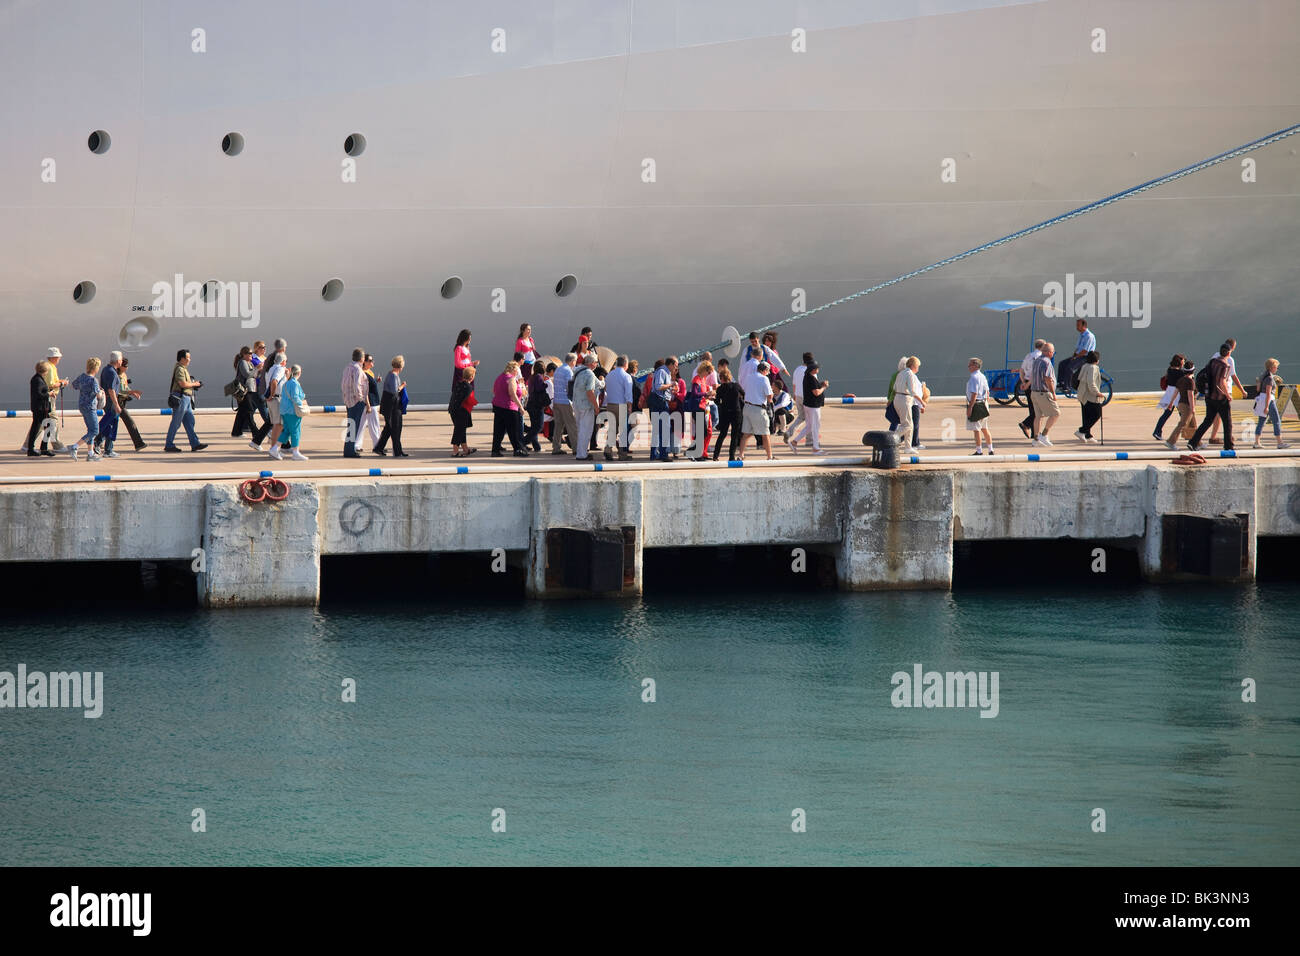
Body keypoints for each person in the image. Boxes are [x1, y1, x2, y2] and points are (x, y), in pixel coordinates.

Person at [1189, 343, 1235, 452]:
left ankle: (1193, 442)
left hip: (1209, 396)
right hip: (1220, 398)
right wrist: (1228, 395)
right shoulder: (1225, 365)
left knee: (1208, 421)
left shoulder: (1212, 361)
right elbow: (1222, 381)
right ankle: (1228, 446)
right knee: (1227, 422)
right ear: (1229, 353)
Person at [165, 348, 207, 453]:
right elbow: (182, 384)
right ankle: (169, 444)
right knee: (176, 422)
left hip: (186, 398)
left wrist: (193, 385)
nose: (189, 360)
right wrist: (195, 384)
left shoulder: (183, 368)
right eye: (188, 358)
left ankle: (195, 444)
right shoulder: (180, 369)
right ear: (182, 358)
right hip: (181, 398)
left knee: (190, 422)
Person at [1206, 339, 1244, 445]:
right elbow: (1233, 376)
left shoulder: (1215, 356)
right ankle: (1216, 437)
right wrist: (1242, 390)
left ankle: (1224, 435)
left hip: (1213, 389)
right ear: (1232, 347)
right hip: (1224, 389)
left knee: (1214, 416)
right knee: (1223, 416)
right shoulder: (1229, 359)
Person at [737, 361, 774, 460]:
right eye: (767, 371)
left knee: (745, 434)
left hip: (747, 407)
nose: (768, 373)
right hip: (758, 409)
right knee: (765, 434)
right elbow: (769, 396)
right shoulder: (764, 379)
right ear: (765, 370)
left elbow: (744, 390)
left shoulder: (749, 377)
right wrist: (771, 398)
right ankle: (770, 457)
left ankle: (740, 455)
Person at [787, 361, 827, 454]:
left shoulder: (807, 377)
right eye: (817, 368)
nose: (818, 369)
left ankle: (794, 442)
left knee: (809, 426)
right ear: (813, 370)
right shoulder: (811, 378)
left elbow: (813, 388)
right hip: (813, 406)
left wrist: (820, 385)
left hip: (808, 405)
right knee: (816, 426)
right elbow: (816, 392)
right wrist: (824, 387)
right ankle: (815, 448)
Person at [68, 357, 103, 462]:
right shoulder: (93, 380)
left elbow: (73, 385)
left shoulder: (82, 377)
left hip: (82, 405)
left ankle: (90, 453)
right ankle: (75, 446)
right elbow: (99, 396)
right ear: (96, 368)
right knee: (95, 430)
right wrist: (102, 392)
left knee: (90, 430)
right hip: (90, 407)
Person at [491, 360, 528, 457]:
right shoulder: (511, 379)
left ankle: (495, 450)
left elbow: (494, 391)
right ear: (513, 369)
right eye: (517, 370)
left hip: (498, 406)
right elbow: (512, 393)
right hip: (509, 407)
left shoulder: (499, 377)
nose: (518, 372)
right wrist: (520, 406)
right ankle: (517, 449)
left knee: (498, 430)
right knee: (513, 430)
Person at [375, 356, 409, 457]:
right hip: (393, 406)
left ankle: (382, 448)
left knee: (390, 428)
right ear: (401, 366)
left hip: (389, 405)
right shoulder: (394, 375)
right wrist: (402, 386)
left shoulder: (391, 374)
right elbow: (395, 391)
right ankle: (396, 451)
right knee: (396, 427)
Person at [274, 364, 310, 461]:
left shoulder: (287, 383)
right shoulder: (294, 383)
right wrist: (302, 402)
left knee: (287, 431)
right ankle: (295, 452)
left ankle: (275, 448)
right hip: (292, 411)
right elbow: (295, 397)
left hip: (285, 411)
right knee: (295, 432)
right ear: (299, 373)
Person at [1253, 358, 1290, 449]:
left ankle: (1257, 442)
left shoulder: (1263, 376)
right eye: (1276, 367)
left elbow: (1258, 389)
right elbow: (1268, 393)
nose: (1276, 369)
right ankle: (1279, 442)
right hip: (1268, 400)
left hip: (1261, 399)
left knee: (1261, 421)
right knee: (1277, 421)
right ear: (1271, 367)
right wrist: (1267, 407)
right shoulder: (1270, 378)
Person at [572, 353, 602, 461]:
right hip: (586, 405)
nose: (597, 364)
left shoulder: (578, 371)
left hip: (576, 404)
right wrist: (596, 406)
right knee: (586, 430)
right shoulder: (589, 374)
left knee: (581, 429)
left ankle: (581, 452)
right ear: (592, 363)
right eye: (596, 362)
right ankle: (581, 454)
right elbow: (590, 392)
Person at [648, 356, 679, 461]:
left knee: (657, 429)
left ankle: (654, 454)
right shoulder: (662, 371)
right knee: (665, 428)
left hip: (657, 400)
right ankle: (663, 455)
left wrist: (671, 389)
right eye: (675, 365)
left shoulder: (664, 372)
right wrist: (671, 384)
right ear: (670, 364)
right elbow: (658, 386)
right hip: (659, 401)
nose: (676, 368)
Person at [95, 351, 124, 458]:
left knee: (109, 423)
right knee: (111, 423)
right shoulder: (112, 372)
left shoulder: (106, 369)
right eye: (121, 360)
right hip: (111, 401)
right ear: (117, 361)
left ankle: (103, 444)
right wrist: (116, 404)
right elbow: (111, 389)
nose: (122, 361)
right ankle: (105, 446)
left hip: (108, 401)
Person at [1163, 361, 1198, 451]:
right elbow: (1190, 395)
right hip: (1188, 406)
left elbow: (1175, 392)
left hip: (1180, 404)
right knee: (1183, 424)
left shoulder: (1181, 380)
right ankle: (1170, 442)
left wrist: (1171, 404)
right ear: (1193, 371)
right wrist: (1193, 408)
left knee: (1193, 425)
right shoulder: (1191, 382)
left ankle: (1197, 443)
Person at [114, 356, 146, 451]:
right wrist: (132, 392)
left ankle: (97, 440)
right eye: (125, 366)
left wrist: (133, 392)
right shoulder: (117, 376)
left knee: (110, 422)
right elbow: (121, 390)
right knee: (129, 421)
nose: (126, 368)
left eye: (127, 366)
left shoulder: (123, 375)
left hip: (122, 401)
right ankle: (138, 443)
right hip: (117, 401)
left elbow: (126, 387)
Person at [605, 355, 634, 458]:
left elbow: (605, 389)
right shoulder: (626, 376)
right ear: (626, 364)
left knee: (612, 429)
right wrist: (629, 407)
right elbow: (628, 394)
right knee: (623, 431)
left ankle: (608, 449)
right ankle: (622, 454)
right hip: (621, 405)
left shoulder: (609, 375)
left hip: (610, 404)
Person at [892, 357, 924, 450]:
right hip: (905, 399)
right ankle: (891, 438)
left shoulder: (900, 373)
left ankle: (908, 447)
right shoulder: (910, 374)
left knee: (909, 424)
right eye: (918, 366)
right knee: (907, 425)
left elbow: (894, 388)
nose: (918, 368)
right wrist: (922, 402)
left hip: (897, 398)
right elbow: (913, 391)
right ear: (913, 366)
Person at [340, 347, 367, 458]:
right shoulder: (357, 369)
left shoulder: (347, 368)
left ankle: (348, 450)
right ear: (361, 358)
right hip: (356, 402)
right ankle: (350, 451)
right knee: (354, 426)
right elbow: (357, 385)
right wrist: (360, 398)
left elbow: (343, 384)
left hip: (348, 401)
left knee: (351, 425)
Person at [712, 366, 744, 461]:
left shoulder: (720, 389)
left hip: (725, 412)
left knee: (722, 434)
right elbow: (744, 394)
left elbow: (717, 401)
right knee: (734, 435)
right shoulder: (736, 386)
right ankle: (731, 456)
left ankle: (715, 455)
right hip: (736, 412)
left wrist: (721, 404)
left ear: (721, 378)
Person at [1030, 343, 1059, 446]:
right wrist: (1053, 393)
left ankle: (1036, 439)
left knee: (1038, 416)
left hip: (1034, 392)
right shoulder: (1047, 362)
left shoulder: (1036, 361)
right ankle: (1044, 434)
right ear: (1049, 352)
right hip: (1043, 392)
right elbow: (1048, 379)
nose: (1053, 353)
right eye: (1053, 352)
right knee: (1055, 413)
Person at [24, 361, 54, 456]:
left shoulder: (38, 378)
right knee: (38, 428)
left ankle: (40, 448)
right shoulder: (37, 380)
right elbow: (39, 394)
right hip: (40, 408)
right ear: (44, 370)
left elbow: (40, 391)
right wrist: (49, 394)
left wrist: (48, 391)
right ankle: (34, 449)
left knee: (44, 427)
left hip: (41, 408)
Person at [550, 353, 578, 454]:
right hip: (565, 401)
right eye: (575, 361)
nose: (575, 363)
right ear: (572, 361)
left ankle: (556, 447)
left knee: (558, 426)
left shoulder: (558, 369)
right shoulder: (568, 371)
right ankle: (576, 448)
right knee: (571, 425)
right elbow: (569, 387)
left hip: (557, 401)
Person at [964, 357, 993, 455]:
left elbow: (974, 393)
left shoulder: (974, 377)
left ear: (975, 366)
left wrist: (970, 408)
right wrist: (985, 403)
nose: (968, 366)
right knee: (984, 428)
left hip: (976, 404)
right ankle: (990, 449)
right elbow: (988, 392)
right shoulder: (982, 376)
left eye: (970, 364)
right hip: (983, 404)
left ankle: (979, 450)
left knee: (976, 430)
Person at [1153, 354, 1185, 440]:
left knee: (1166, 414)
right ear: (1180, 362)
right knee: (1184, 415)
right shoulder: (1181, 373)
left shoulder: (1169, 370)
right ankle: (1188, 433)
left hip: (1169, 392)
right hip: (1177, 394)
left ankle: (1157, 431)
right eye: (1183, 361)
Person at [1018, 339, 1045, 439]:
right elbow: (1035, 373)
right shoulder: (1040, 357)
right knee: (1039, 410)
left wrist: (1024, 383)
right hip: (1035, 385)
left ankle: (1035, 433)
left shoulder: (1028, 356)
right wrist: (1029, 384)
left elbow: (1021, 370)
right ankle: (1026, 424)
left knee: (1032, 409)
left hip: (1027, 383)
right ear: (1043, 347)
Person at [262, 352, 289, 455]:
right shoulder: (280, 369)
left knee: (275, 425)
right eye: (286, 361)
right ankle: (274, 449)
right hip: (277, 399)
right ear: (283, 361)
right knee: (279, 425)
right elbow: (274, 381)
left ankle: (274, 448)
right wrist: (273, 395)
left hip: (272, 400)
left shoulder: (270, 369)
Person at [1058, 319, 1096, 390]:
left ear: (1084, 326)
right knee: (1062, 364)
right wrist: (1074, 356)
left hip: (1085, 357)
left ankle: (1067, 387)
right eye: (1076, 325)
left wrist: (1076, 357)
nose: (1077, 327)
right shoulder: (1081, 335)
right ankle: (1061, 383)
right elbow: (1077, 348)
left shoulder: (1089, 336)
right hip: (1079, 356)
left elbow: (1085, 350)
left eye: (1078, 325)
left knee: (1070, 368)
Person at [1074, 350, 1102, 443]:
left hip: (1082, 394)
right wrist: (1097, 393)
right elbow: (1091, 383)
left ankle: (1087, 435)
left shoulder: (1084, 366)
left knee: (1086, 415)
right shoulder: (1093, 368)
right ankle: (1081, 431)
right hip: (1089, 395)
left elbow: (1079, 378)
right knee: (1097, 414)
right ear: (1097, 359)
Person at [449, 364, 476, 457]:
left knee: (461, 430)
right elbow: (468, 400)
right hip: (462, 411)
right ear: (471, 377)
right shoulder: (468, 387)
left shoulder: (458, 384)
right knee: (459, 430)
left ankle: (465, 449)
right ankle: (455, 451)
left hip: (453, 410)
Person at [788, 351, 813, 448]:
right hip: (807, 397)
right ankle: (810, 441)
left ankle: (789, 432)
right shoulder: (810, 370)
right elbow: (813, 386)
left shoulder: (797, 369)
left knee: (801, 417)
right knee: (810, 420)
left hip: (797, 395)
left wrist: (794, 394)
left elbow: (794, 384)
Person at [359, 354, 382, 452]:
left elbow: (370, 386)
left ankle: (357, 445)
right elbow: (365, 390)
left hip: (369, 403)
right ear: (365, 362)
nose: (372, 362)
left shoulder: (369, 372)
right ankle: (377, 445)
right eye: (370, 360)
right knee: (374, 425)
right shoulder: (362, 373)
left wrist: (376, 381)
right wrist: (368, 405)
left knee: (361, 424)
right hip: (369, 403)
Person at [524, 361, 549, 452]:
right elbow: (539, 388)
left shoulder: (532, 377)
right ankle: (523, 442)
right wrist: (546, 383)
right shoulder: (538, 377)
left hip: (531, 404)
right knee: (539, 427)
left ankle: (537, 447)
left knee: (534, 426)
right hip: (537, 405)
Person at [885, 356, 906, 430]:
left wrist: (889, 400)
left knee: (894, 420)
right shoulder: (906, 376)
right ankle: (901, 436)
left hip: (893, 399)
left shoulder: (894, 375)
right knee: (905, 421)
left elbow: (891, 389)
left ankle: (891, 435)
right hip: (903, 400)